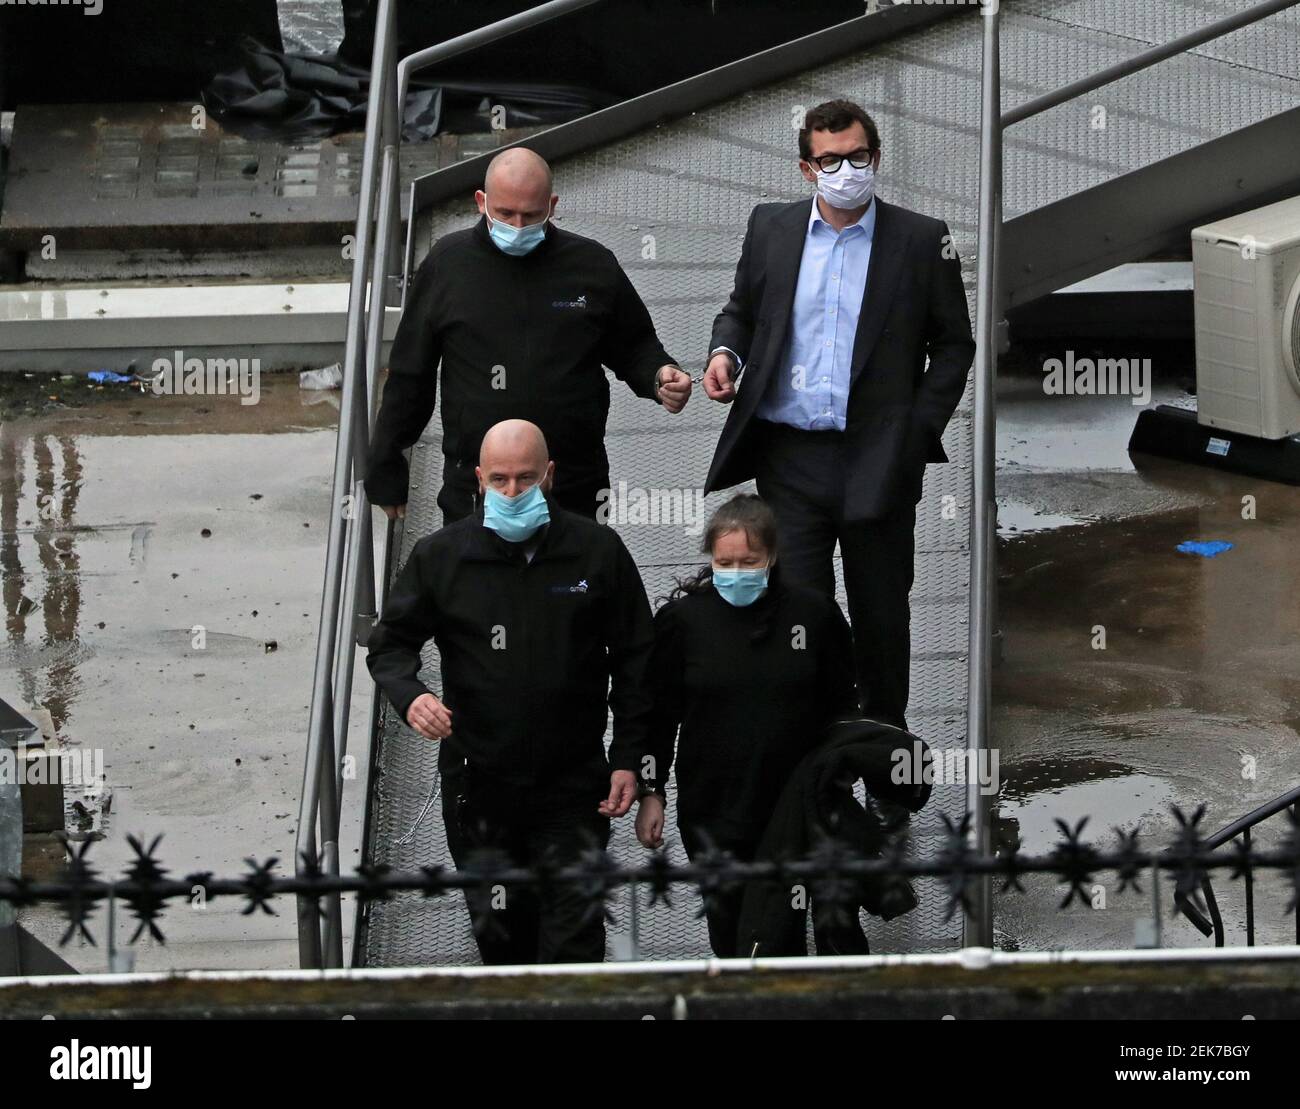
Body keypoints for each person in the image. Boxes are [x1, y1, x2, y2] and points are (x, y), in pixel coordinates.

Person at [700, 99, 975, 729]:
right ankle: (820, 756)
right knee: (801, 613)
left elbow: (954, 344)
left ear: (875, 157)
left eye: (856, 156)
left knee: (881, 615)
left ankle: (882, 749)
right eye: (830, 160)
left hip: (878, 457)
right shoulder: (770, 227)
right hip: (789, 459)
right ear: (806, 168)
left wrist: (916, 427)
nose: (845, 169)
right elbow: (741, 308)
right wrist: (725, 352)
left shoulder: (920, 238)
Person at [366, 419, 655, 964]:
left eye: (526, 479)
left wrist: (630, 759)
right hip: (481, 788)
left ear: (550, 475)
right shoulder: (441, 558)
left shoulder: (597, 553)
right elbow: (388, 647)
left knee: (574, 944)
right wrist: (412, 696)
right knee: (503, 946)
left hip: (573, 788)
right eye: (499, 480)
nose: (513, 492)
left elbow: (639, 661)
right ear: (478, 479)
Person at [364, 146, 692, 525]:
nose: (518, 227)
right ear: (481, 202)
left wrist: (658, 376)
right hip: (476, 486)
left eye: (531, 215)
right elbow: (410, 374)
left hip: (573, 484)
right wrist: (386, 464)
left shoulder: (591, 265)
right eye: (505, 214)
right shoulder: (446, 265)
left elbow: (634, 345)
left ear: (552, 206)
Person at [634, 493, 858, 959]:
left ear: (772, 557)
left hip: (791, 809)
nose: (736, 571)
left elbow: (842, 706)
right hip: (714, 810)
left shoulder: (813, 617)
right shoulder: (682, 624)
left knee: (779, 931)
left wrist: (837, 783)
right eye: (725, 562)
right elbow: (658, 718)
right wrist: (651, 791)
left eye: (749, 561)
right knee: (731, 933)